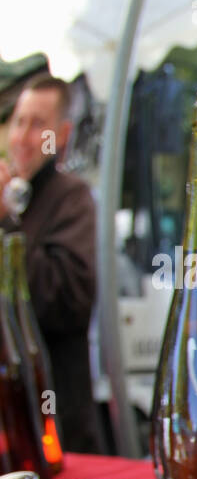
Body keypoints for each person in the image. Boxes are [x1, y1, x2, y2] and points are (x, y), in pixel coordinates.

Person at [1, 74, 104, 454]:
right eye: (19, 122)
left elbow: (64, 300)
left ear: (61, 135)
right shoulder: (16, 194)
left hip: (58, 421)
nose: (23, 137)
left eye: (37, 124)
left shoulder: (72, 197)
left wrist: (6, 222)